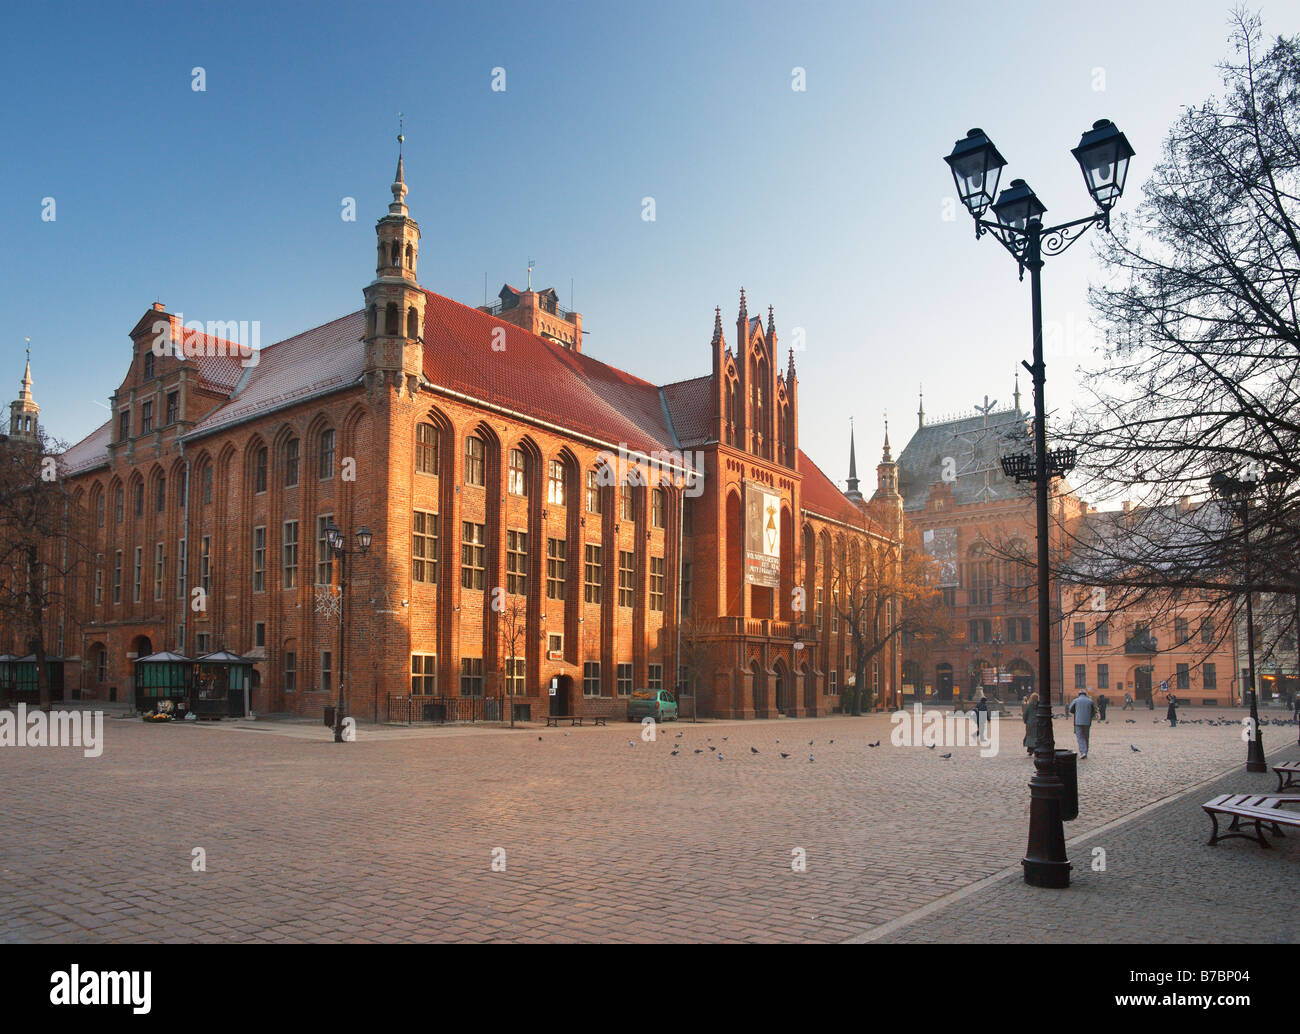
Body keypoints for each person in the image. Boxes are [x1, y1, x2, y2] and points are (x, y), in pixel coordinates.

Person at [1067, 688, 1095, 759]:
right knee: (1086, 737)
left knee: (1080, 737)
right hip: (1087, 721)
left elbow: (1070, 709)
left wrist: (1076, 712)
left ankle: (1083, 752)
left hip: (1078, 721)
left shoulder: (1076, 700)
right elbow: (1093, 711)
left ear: (1079, 694)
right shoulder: (1090, 701)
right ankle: (1086, 751)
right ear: (1086, 694)